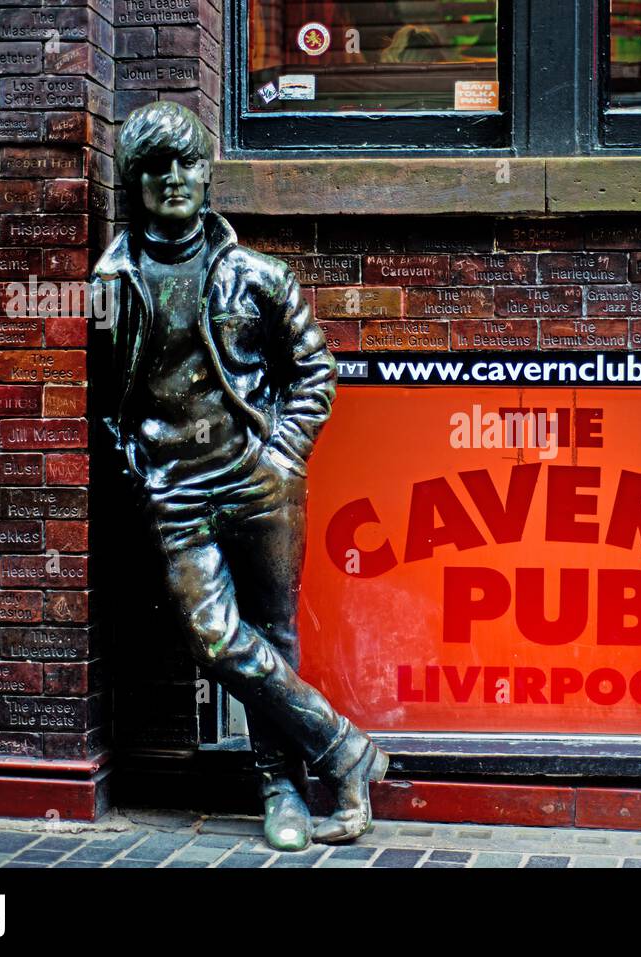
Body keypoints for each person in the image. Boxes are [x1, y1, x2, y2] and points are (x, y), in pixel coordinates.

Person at [90, 100, 386, 850]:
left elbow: (315, 368)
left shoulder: (258, 274)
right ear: (134, 180)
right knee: (217, 640)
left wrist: (282, 455)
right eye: (155, 167)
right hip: (176, 492)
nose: (174, 178)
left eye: (187, 162)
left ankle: (282, 791)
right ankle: (345, 747)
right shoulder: (112, 281)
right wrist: (138, 468)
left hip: (259, 482)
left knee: (273, 636)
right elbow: (99, 398)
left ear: (208, 172)